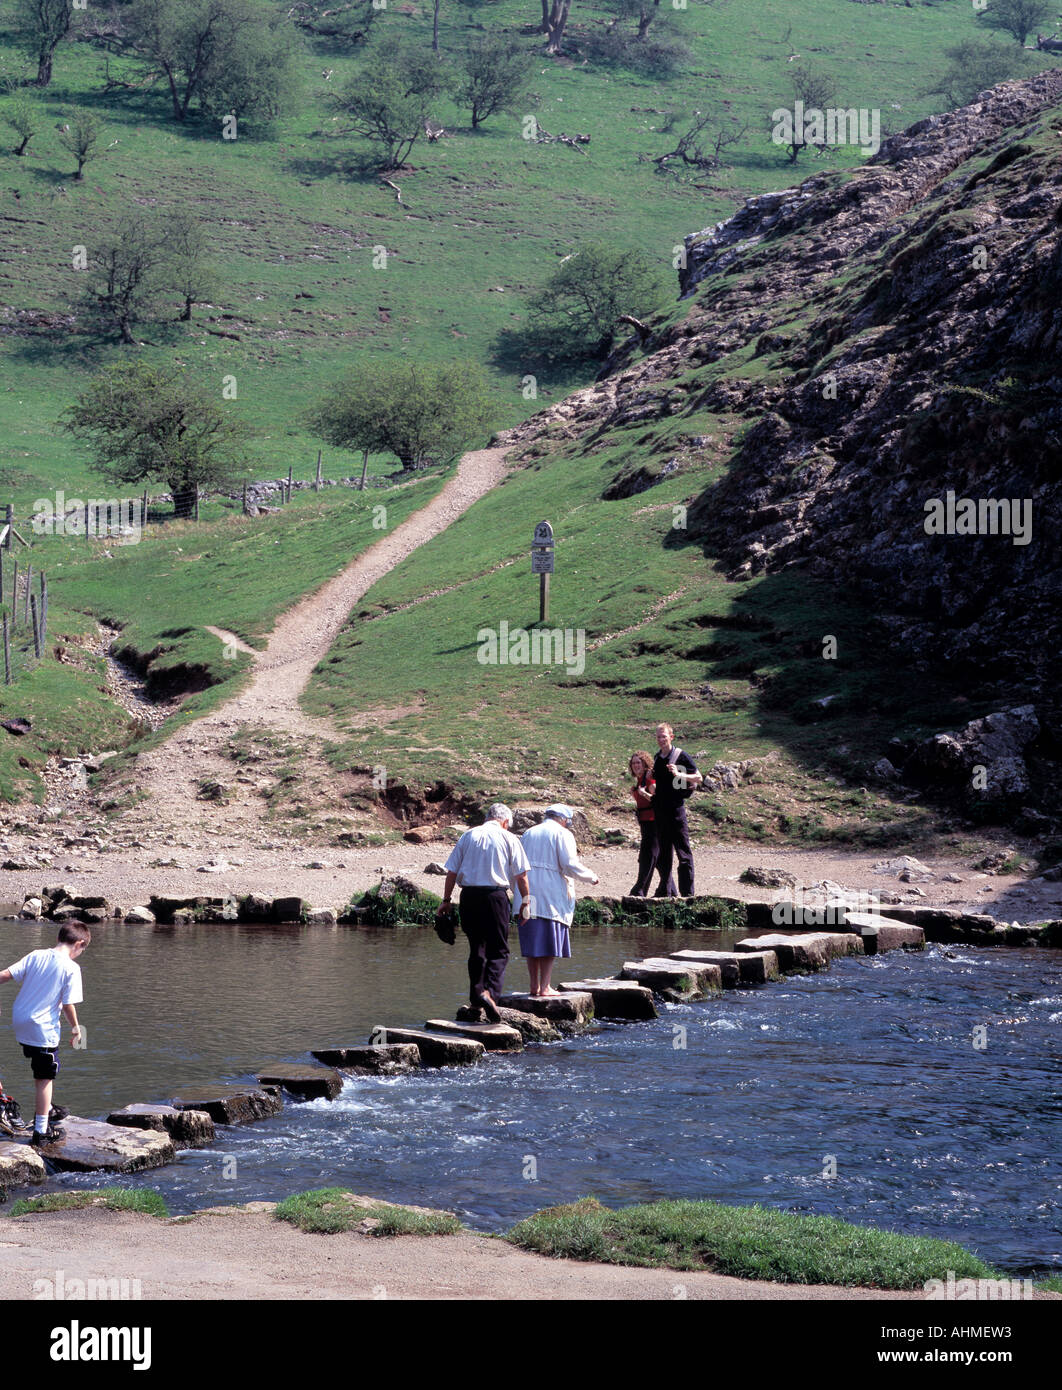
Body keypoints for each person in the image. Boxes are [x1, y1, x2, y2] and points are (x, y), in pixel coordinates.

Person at [438, 804, 530, 1021]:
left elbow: (452, 871)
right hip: (495, 897)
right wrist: (526, 904)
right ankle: (490, 995)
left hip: (468, 896)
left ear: (488, 817)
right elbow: (522, 876)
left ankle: (476, 999)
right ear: (505, 822)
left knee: (476, 948)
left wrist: (446, 900)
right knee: (499, 950)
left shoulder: (469, 835)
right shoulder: (509, 838)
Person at [0, 923, 88, 1147]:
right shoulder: (71, 968)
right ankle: (41, 1131)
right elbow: (68, 1005)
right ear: (79, 944)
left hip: (20, 1022)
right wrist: (76, 1028)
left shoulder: (36, 954)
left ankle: (48, 1107)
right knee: (44, 1078)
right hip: (42, 1027)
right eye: (82, 950)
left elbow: (6, 975)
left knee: (41, 1065)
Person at [514, 805, 598, 997]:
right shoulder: (563, 834)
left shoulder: (528, 833)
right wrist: (590, 877)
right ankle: (545, 987)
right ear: (564, 819)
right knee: (548, 941)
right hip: (549, 893)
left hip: (527, 893)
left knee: (532, 941)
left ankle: (534, 986)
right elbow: (569, 864)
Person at [651, 723, 702, 897]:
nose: (660, 739)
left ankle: (688, 895)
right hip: (660, 811)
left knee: (683, 852)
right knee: (664, 854)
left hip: (676, 810)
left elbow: (699, 778)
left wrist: (679, 775)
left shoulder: (680, 755)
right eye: (658, 736)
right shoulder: (657, 758)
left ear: (671, 737)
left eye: (663, 736)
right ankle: (667, 892)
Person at [627, 751, 674, 898]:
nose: (635, 765)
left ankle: (639, 891)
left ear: (645, 763)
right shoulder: (640, 780)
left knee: (647, 856)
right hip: (646, 823)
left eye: (638, 762)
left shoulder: (649, 780)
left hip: (655, 823)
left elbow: (657, 799)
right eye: (633, 763)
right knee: (658, 859)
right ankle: (669, 891)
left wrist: (643, 794)